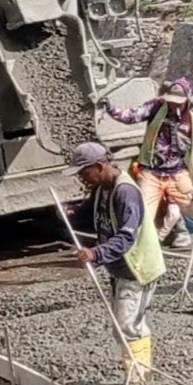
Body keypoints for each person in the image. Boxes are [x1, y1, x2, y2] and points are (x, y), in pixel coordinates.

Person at [64, 141, 166, 371]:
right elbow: (89, 215)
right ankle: (136, 372)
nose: (81, 177)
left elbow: (126, 238)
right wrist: (69, 213)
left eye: (84, 171)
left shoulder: (125, 193)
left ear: (99, 166)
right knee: (121, 325)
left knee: (129, 325)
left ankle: (139, 379)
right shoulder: (102, 189)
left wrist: (95, 253)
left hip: (138, 269)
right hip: (120, 268)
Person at [103, 76, 193, 252]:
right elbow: (132, 116)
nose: (174, 105)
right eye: (172, 101)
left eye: (179, 102)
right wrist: (111, 108)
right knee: (144, 213)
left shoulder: (192, 120)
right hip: (151, 171)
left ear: (187, 99)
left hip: (177, 170)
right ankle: (138, 247)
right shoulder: (156, 107)